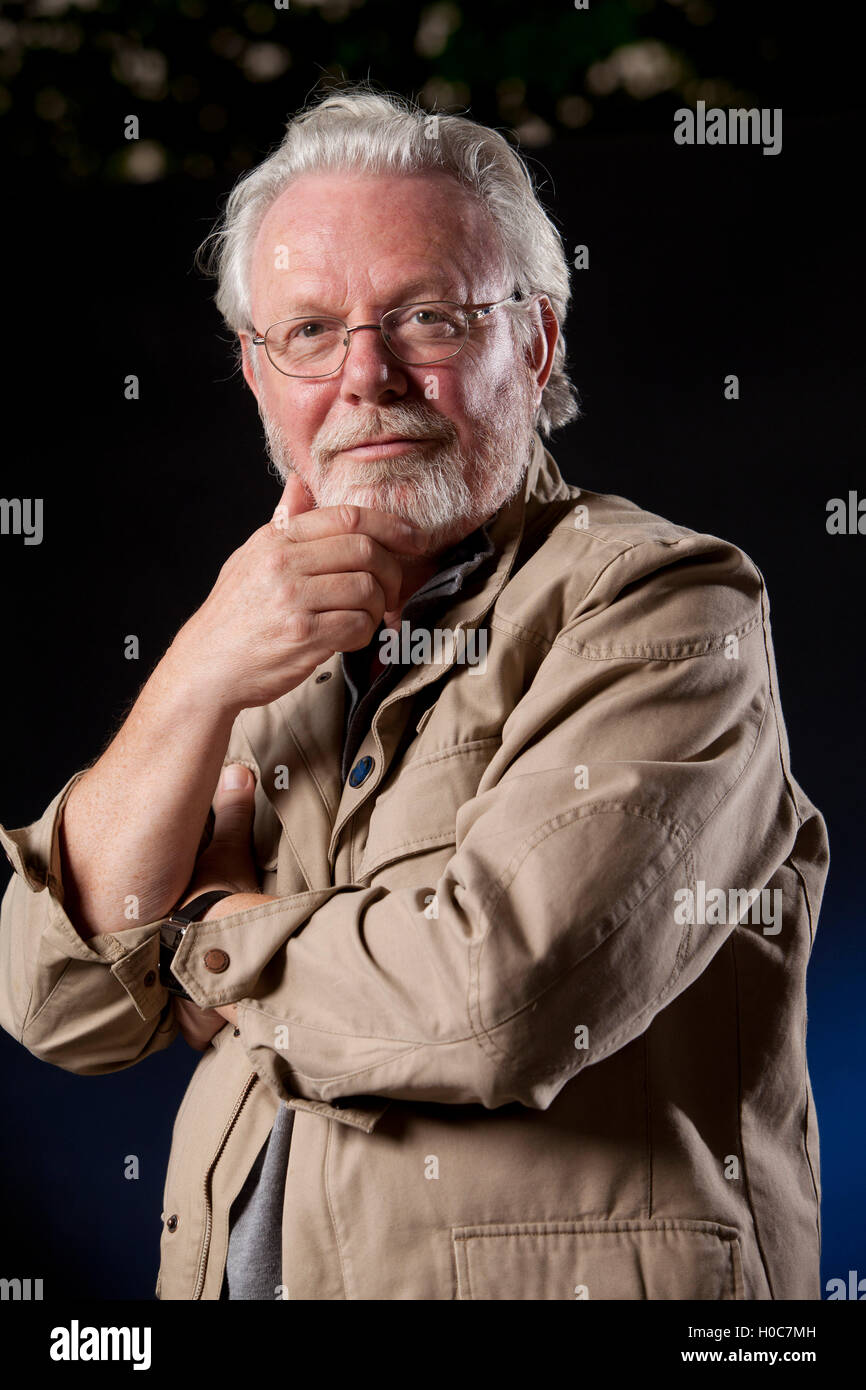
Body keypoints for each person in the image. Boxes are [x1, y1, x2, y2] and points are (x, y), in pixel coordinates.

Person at [0, 87, 828, 1301]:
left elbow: (502, 999)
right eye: (309, 332)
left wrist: (208, 933)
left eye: (425, 319)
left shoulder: (661, 605)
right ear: (253, 370)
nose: (364, 375)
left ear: (535, 343)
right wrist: (195, 673)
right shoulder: (261, 627)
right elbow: (61, 1000)